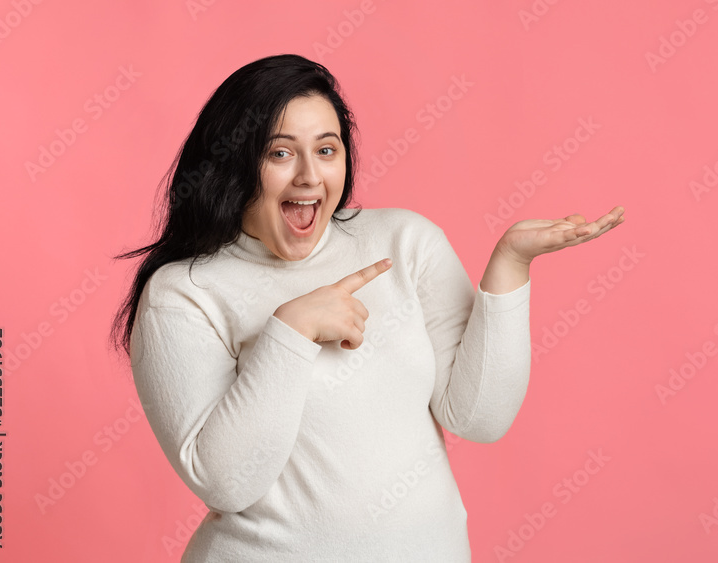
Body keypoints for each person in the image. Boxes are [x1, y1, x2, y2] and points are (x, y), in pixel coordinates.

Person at [110, 53, 624, 562]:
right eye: (280, 153)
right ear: (233, 163)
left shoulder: (404, 241)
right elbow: (226, 484)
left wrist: (511, 265)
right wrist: (290, 331)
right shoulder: (183, 293)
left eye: (327, 150)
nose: (310, 176)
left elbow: (478, 417)